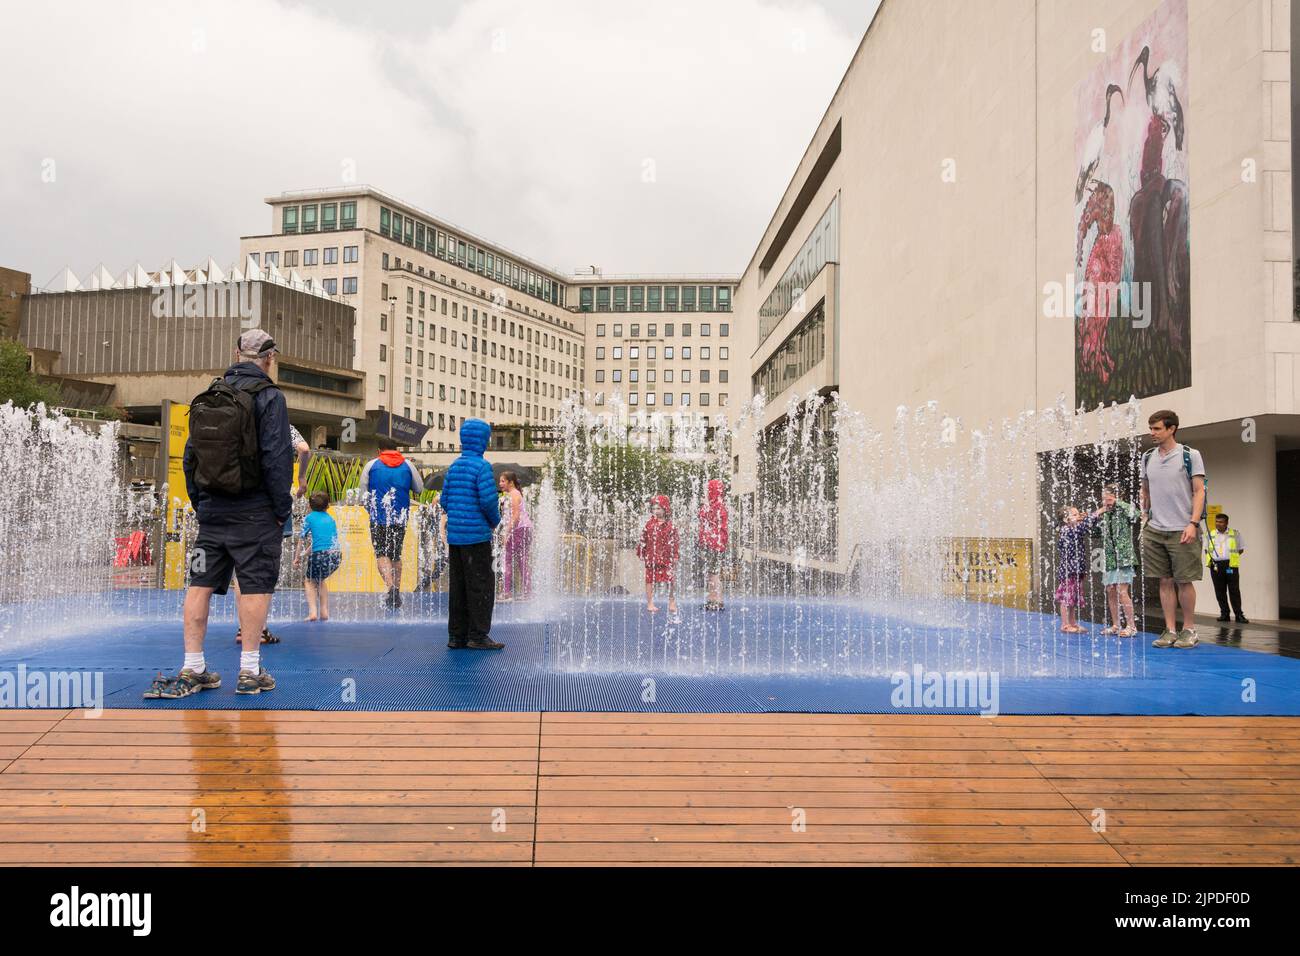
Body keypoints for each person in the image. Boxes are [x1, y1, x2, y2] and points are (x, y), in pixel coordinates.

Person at [144, 329, 290, 698]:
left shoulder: (210, 395)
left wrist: (201, 503)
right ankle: (250, 670)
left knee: (199, 584)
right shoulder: (270, 397)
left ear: (236, 354)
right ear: (269, 359)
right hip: (255, 512)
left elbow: (191, 457)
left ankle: (193, 667)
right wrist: (280, 510)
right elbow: (276, 457)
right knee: (256, 585)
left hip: (211, 513)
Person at [231, 422, 309, 645]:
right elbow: (304, 449)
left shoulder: (239, 424)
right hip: (271, 502)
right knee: (264, 566)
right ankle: (259, 629)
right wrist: (301, 478)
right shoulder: (283, 426)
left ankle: (243, 627)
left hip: (240, 502)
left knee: (241, 568)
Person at [1140, 409, 1206, 649]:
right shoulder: (1147, 457)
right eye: (1151, 428)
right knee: (1164, 580)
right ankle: (1169, 630)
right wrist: (1144, 514)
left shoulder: (1190, 455)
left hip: (1183, 528)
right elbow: (1145, 490)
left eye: (1157, 429)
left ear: (1171, 429)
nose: (1152, 433)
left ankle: (1189, 629)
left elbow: (1199, 490)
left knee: (1184, 580)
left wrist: (1193, 523)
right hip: (1155, 529)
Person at [442, 418, 503, 649]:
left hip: (456, 538)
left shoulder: (454, 465)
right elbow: (488, 500)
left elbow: (445, 500)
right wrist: (494, 521)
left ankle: (456, 636)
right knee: (480, 585)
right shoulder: (481, 466)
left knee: (458, 586)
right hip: (476, 537)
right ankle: (477, 635)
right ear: (482, 440)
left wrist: (458, 516)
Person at [360, 436, 424, 609]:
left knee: (381, 553)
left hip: (378, 518)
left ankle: (391, 588)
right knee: (396, 554)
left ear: (379, 451)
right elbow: (419, 488)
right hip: (400, 517)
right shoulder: (408, 465)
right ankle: (397, 589)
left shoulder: (371, 465)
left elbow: (363, 495)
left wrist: (371, 509)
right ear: (397, 449)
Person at [1092, 482, 1141, 636]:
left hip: (1124, 557)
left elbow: (1136, 514)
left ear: (1116, 497)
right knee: (1111, 590)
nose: (1105, 502)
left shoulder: (1123, 509)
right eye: (1103, 499)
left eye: (1108, 498)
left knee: (1122, 590)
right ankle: (1115, 624)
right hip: (1110, 559)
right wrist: (1095, 515)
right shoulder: (1105, 514)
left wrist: (1118, 502)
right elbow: (1094, 533)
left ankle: (1131, 626)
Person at [294, 491, 341, 621]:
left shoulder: (309, 518)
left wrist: (297, 557)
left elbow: (301, 540)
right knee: (320, 579)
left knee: (309, 581)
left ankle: (313, 613)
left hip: (320, 555)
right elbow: (322, 541)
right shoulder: (330, 519)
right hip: (336, 555)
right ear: (328, 506)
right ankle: (324, 611)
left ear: (309, 506)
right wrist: (306, 553)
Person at [1055, 505, 1098, 633]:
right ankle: (1064, 624)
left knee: (1072, 598)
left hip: (1076, 569)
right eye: (1074, 515)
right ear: (1065, 520)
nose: (1078, 516)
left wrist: (1085, 518)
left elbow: (1085, 526)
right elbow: (1084, 526)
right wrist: (1098, 512)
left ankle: (1072, 622)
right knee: (1065, 598)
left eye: (1078, 513)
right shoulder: (1066, 530)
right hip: (1069, 570)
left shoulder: (1073, 528)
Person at [637, 495, 680, 614]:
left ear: (665, 509)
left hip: (666, 556)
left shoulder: (671, 526)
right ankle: (650, 603)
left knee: (671, 579)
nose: (656, 511)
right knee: (650, 579)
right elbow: (643, 539)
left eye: (659, 508)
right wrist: (641, 551)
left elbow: (675, 541)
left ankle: (672, 601)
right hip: (652, 556)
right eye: (654, 508)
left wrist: (675, 555)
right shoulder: (649, 524)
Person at [1205, 513, 1249, 624]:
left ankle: (1239, 615)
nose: (1218, 524)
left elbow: (1240, 549)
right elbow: (1206, 550)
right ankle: (1224, 614)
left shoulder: (1235, 534)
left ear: (1226, 523)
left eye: (1221, 522)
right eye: (1217, 521)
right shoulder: (1210, 534)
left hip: (1230, 565)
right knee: (1220, 591)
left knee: (1234, 590)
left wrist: (1229, 558)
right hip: (1215, 566)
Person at [498, 471, 533, 602]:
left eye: (502, 481)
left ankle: (507, 593)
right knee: (522, 560)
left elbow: (516, 516)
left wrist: (507, 533)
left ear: (510, 482)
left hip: (519, 529)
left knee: (507, 559)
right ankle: (527, 592)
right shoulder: (515, 494)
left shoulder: (513, 494)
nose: (500, 484)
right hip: (525, 528)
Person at [698, 478, 729, 611]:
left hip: (713, 544)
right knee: (712, 572)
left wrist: (704, 504)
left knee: (714, 573)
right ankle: (713, 599)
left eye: (708, 490)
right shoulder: (720, 505)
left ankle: (717, 600)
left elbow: (703, 516)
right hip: (717, 543)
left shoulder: (714, 506)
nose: (706, 493)